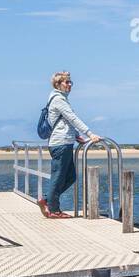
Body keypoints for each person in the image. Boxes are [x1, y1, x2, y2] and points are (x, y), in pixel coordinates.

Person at [40, 71, 101, 218]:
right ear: (58, 84)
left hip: (66, 141)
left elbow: (65, 122)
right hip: (60, 143)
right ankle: (54, 210)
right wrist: (90, 133)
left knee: (71, 177)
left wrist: (76, 136)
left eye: (70, 82)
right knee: (59, 176)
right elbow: (72, 118)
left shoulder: (61, 99)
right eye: (66, 82)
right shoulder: (58, 99)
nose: (69, 85)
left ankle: (47, 200)